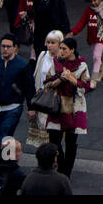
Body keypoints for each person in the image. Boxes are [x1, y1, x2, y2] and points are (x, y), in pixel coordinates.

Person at [42, 36, 92, 178]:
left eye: (64, 49)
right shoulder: (55, 63)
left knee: (71, 142)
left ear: (72, 50)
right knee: (54, 140)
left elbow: (86, 87)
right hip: (56, 106)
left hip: (74, 108)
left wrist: (72, 80)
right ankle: (62, 166)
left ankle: (66, 173)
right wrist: (60, 80)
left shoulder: (82, 66)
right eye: (60, 48)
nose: (61, 51)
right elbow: (47, 83)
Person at [70, 0, 103, 84]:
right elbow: (81, 23)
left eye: (95, 0)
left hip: (102, 37)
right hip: (91, 38)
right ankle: (101, 72)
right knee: (96, 57)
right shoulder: (88, 10)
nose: (93, 3)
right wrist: (73, 32)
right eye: (91, 1)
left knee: (96, 56)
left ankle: (94, 79)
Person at [30, 30, 65, 147]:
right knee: (42, 130)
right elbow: (36, 76)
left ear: (60, 43)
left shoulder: (63, 59)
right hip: (42, 98)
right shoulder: (42, 55)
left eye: (53, 42)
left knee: (54, 134)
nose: (49, 45)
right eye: (48, 42)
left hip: (56, 101)